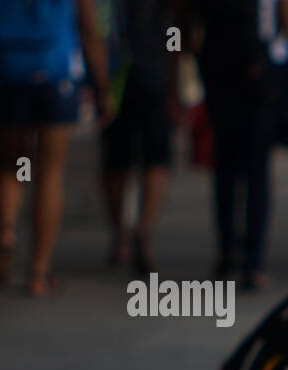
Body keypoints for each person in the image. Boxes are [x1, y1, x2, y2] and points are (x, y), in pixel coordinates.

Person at [0, 0, 110, 295]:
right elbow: (89, 26)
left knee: (12, 162)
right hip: (54, 72)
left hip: (8, 71)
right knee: (49, 170)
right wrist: (102, 84)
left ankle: (7, 231)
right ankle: (39, 271)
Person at [187, 0, 288, 290]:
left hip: (219, 71)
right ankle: (253, 261)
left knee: (225, 167)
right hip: (257, 77)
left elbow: (189, 22)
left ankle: (228, 253)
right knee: (256, 171)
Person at [98, 0, 178, 275]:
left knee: (117, 157)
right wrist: (173, 73)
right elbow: (174, 27)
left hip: (115, 69)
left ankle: (121, 234)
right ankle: (143, 230)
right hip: (152, 66)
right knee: (156, 157)